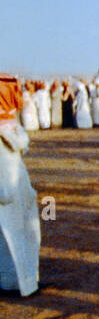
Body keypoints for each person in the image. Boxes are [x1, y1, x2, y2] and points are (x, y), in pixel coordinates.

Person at [0, 75, 40, 296]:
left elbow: (22, 143)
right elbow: (21, 141)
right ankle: (14, 284)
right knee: (10, 237)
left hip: (16, 188)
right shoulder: (6, 127)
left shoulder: (9, 125)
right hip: (5, 191)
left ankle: (27, 281)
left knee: (26, 232)